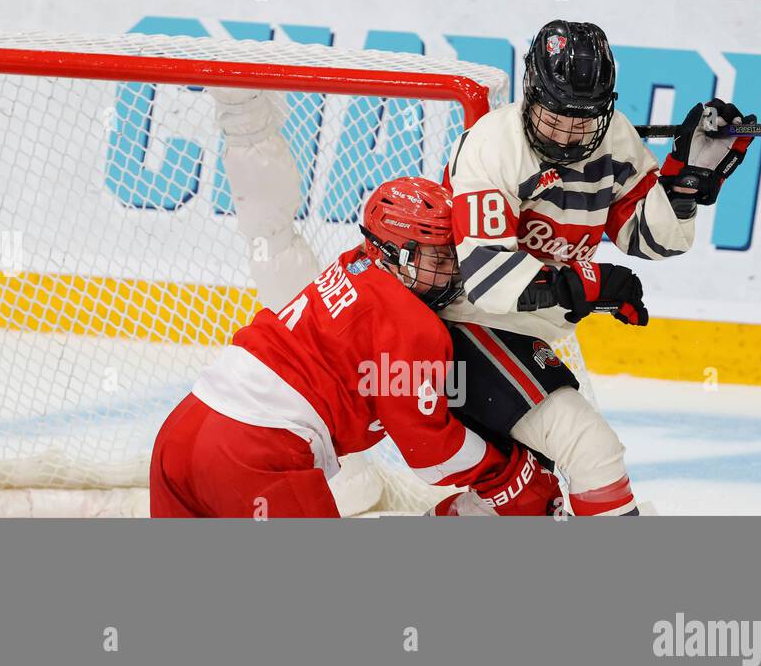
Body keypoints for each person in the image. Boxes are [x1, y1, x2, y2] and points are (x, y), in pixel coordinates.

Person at [440, 19, 753, 516]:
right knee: (592, 452)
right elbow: (488, 280)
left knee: (520, 501)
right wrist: (588, 283)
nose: (568, 135)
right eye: (554, 117)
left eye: (583, 119)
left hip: (530, 335)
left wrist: (686, 182)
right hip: (463, 332)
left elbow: (651, 240)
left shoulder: (615, 141)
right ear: (530, 93)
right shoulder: (493, 145)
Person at [150, 176, 562, 518]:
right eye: (438, 261)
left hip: (181, 433)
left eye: (454, 257)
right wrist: (506, 472)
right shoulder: (412, 323)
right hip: (253, 455)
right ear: (390, 254)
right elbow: (430, 454)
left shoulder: (355, 262)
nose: (453, 274)